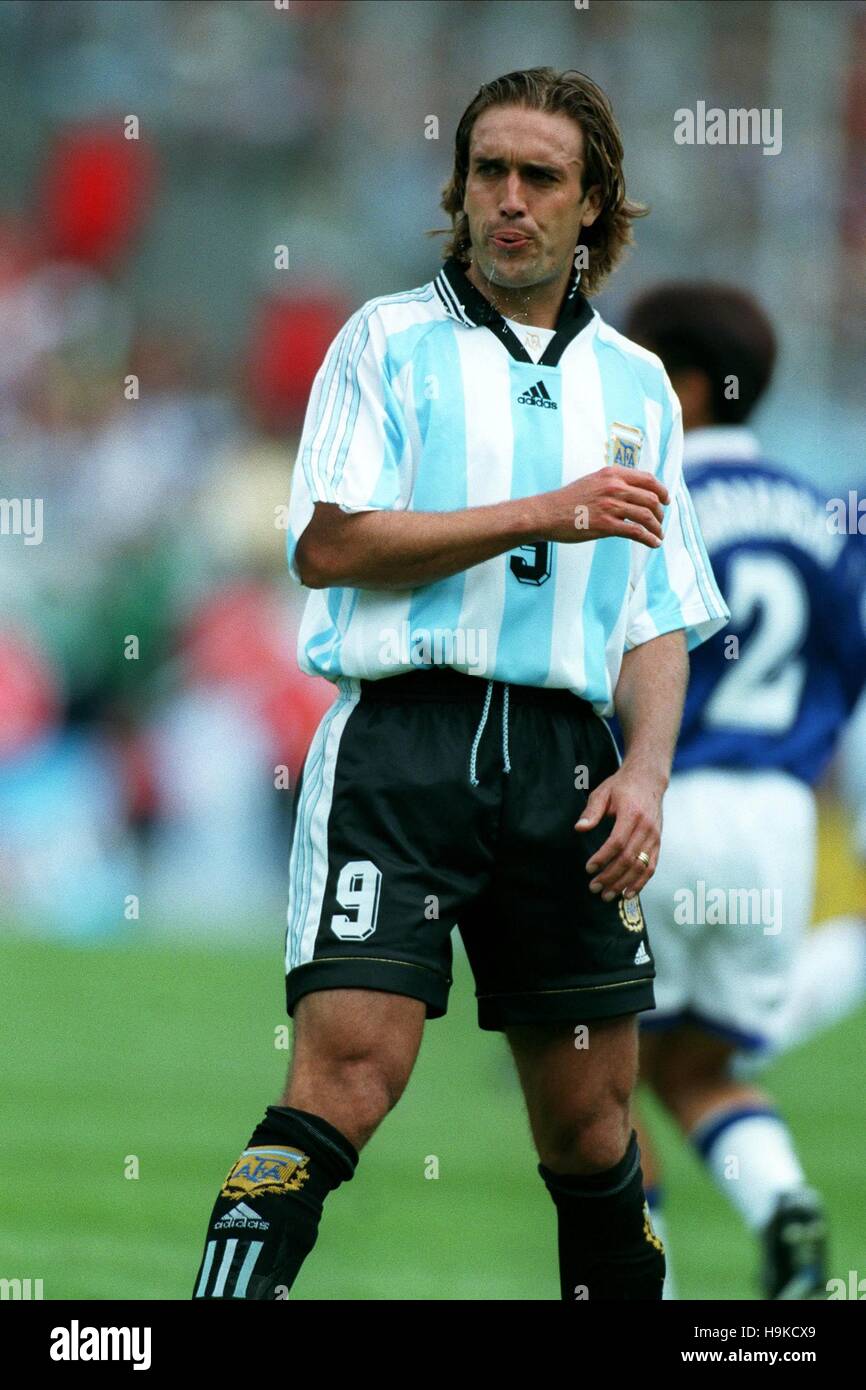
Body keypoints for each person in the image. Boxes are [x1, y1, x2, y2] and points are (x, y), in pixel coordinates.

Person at [192, 67, 727, 1302]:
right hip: (405, 746)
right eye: (488, 170)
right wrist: (544, 509)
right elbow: (327, 541)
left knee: (595, 1128)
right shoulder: (385, 341)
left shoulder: (638, 385)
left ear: (592, 203)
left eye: (540, 177)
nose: (509, 200)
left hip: (567, 764)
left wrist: (644, 769)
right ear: (458, 185)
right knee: (346, 1081)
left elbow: (659, 613)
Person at [623, 283, 866, 1299]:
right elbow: (845, 668)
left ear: (680, 386)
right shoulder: (819, 515)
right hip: (775, 824)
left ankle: (649, 1292)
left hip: (657, 803)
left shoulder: (643, 503)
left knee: (594, 1075)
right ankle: (782, 1210)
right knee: (696, 1069)